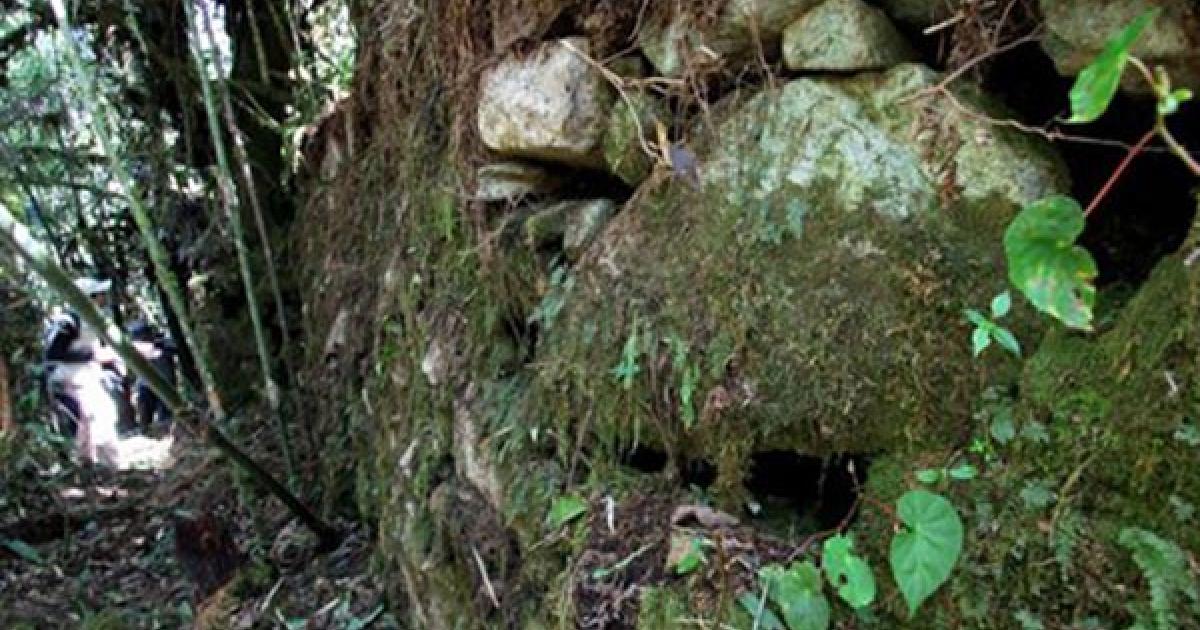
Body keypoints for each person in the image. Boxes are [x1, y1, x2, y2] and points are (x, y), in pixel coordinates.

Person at [42, 278, 124, 465]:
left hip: (87, 375)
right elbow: (53, 354)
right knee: (93, 417)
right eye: (99, 295)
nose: (103, 299)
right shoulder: (68, 322)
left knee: (99, 416)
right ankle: (97, 464)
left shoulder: (91, 320)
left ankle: (101, 463)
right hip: (70, 377)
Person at [128, 319, 175, 431]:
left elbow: (172, 348)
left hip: (165, 384)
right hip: (145, 385)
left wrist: (160, 346)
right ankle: (146, 430)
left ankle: (164, 431)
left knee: (165, 416)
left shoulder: (162, 344)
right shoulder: (135, 348)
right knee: (145, 417)